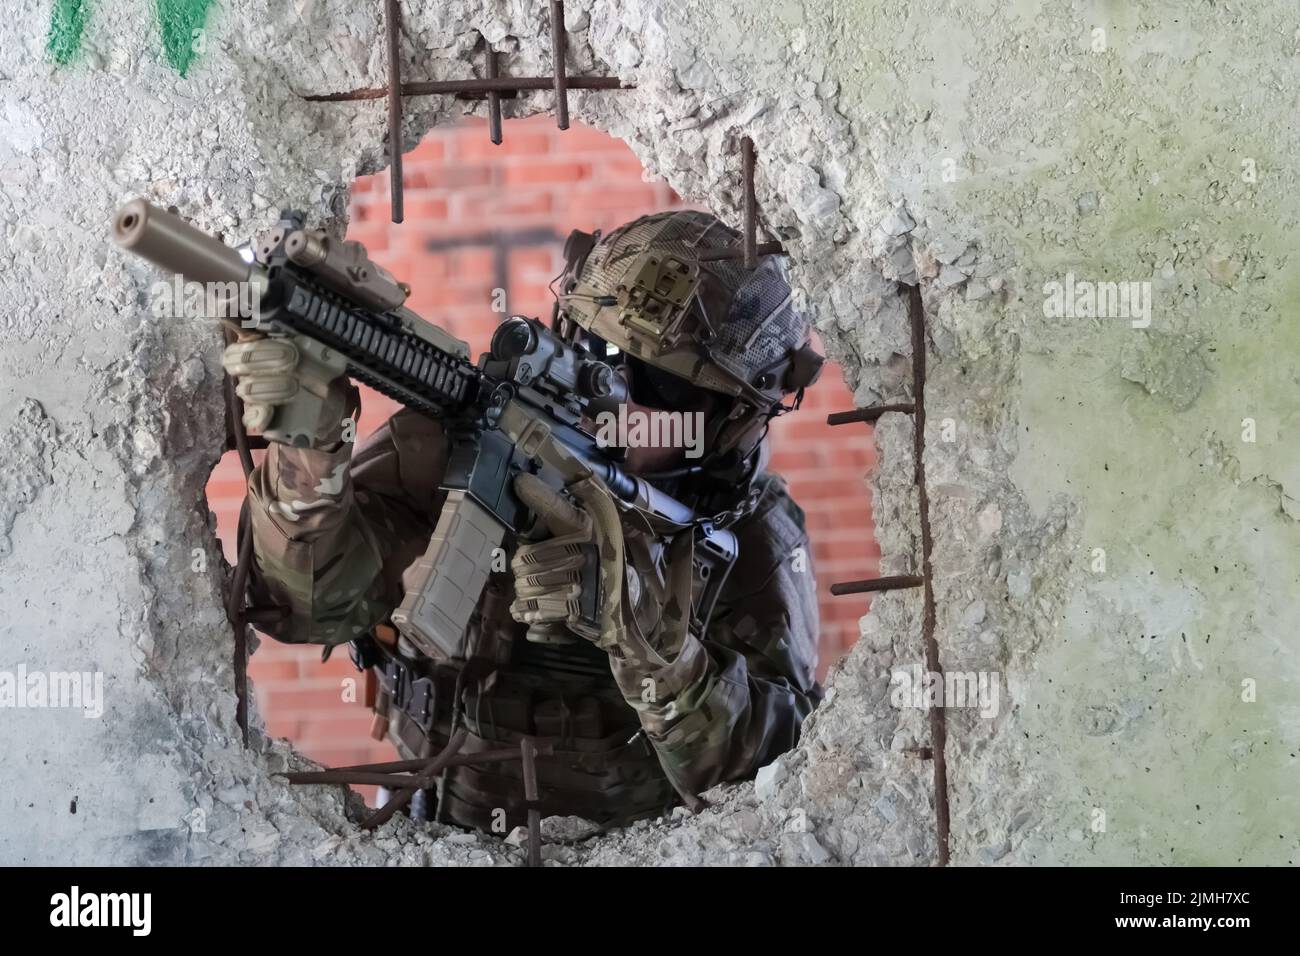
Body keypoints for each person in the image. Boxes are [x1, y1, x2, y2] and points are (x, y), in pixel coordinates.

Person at [224, 209, 826, 831]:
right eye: (601, 349)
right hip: (427, 817)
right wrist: (307, 453)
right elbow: (301, 608)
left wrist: (662, 656)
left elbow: (775, 776)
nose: (617, 396)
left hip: (630, 842)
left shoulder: (754, 538)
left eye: (662, 389)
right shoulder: (448, 444)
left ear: (731, 422)